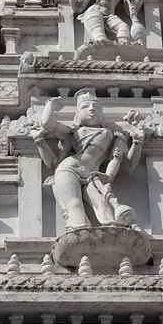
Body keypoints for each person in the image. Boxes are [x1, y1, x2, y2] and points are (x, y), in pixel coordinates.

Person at [36, 89, 142, 233]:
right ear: (78, 113)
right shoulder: (73, 132)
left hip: (92, 174)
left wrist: (109, 175)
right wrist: (52, 104)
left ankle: (111, 235)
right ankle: (78, 233)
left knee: (103, 206)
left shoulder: (113, 133)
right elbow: (48, 124)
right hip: (68, 168)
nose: (91, 109)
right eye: (85, 106)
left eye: (96, 106)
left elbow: (116, 159)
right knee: (74, 204)